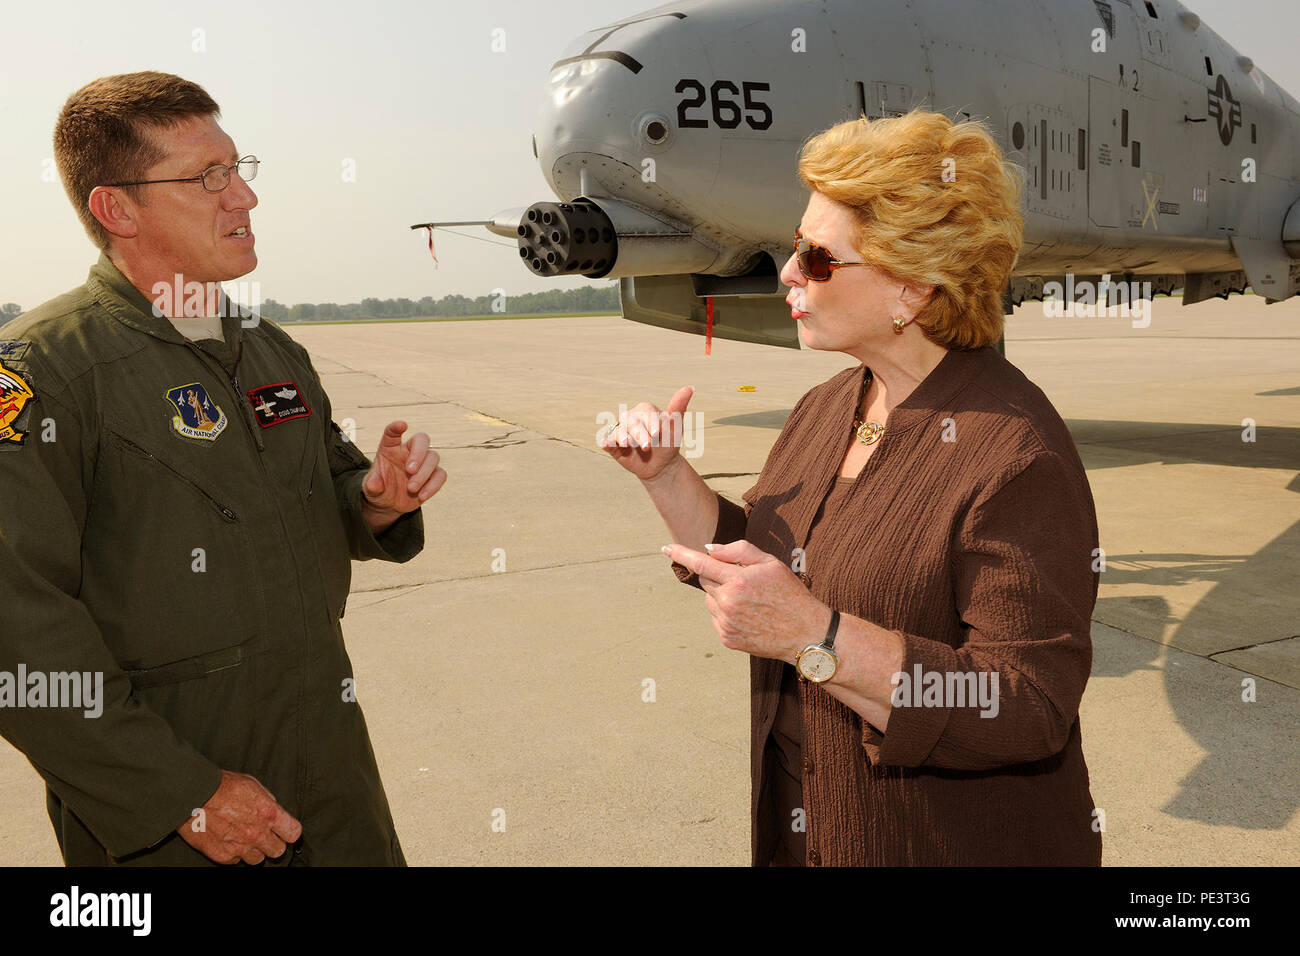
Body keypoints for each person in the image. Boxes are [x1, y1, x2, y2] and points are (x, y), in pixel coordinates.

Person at [601, 109, 1103, 866]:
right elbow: (767, 557)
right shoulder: (833, 404)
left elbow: (1026, 703)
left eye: (818, 259)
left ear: (913, 285)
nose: (788, 275)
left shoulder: (1016, 455)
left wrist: (817, 638)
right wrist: (668, 476)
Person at [0, 72, 447, 866]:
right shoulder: (46, 371)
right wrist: (178, 793)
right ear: (117, 208)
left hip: (333, 788)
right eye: (209, 177)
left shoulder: (269, 348)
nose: (242, 197)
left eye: (240, 169)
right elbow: (15, 626)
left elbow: (327, 495)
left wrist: (374, 501)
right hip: (176, 823)